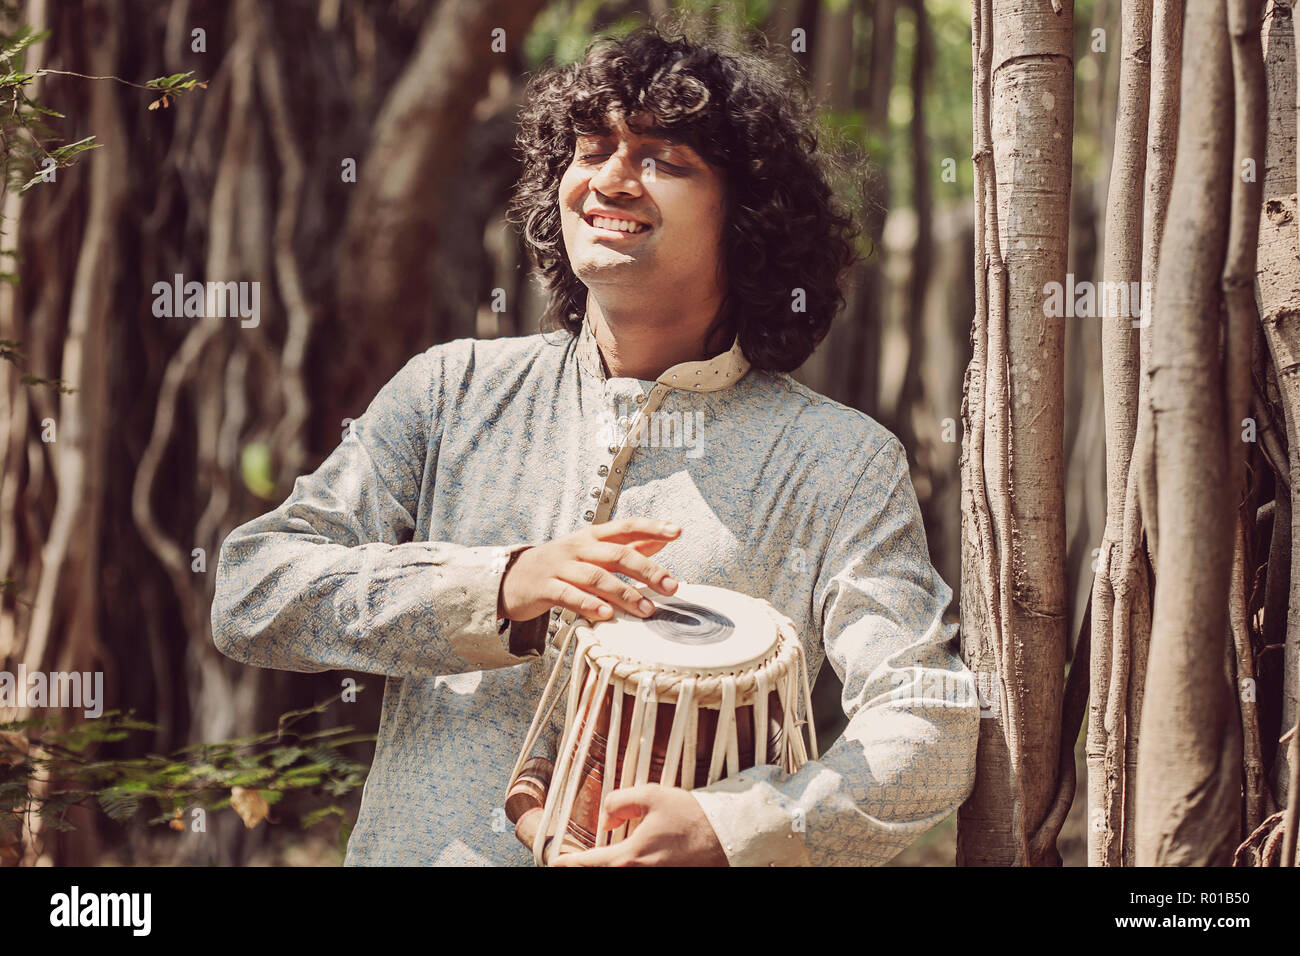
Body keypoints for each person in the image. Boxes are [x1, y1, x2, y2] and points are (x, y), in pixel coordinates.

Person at [211, 25, 979, 866]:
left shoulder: (837, 459)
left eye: (664, 160)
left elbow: (927, 717)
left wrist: (740, 828)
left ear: (748, 218)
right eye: (590, 150)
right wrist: (499, 585)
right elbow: (252, 589)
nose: (611, 178)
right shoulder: (451, 388)